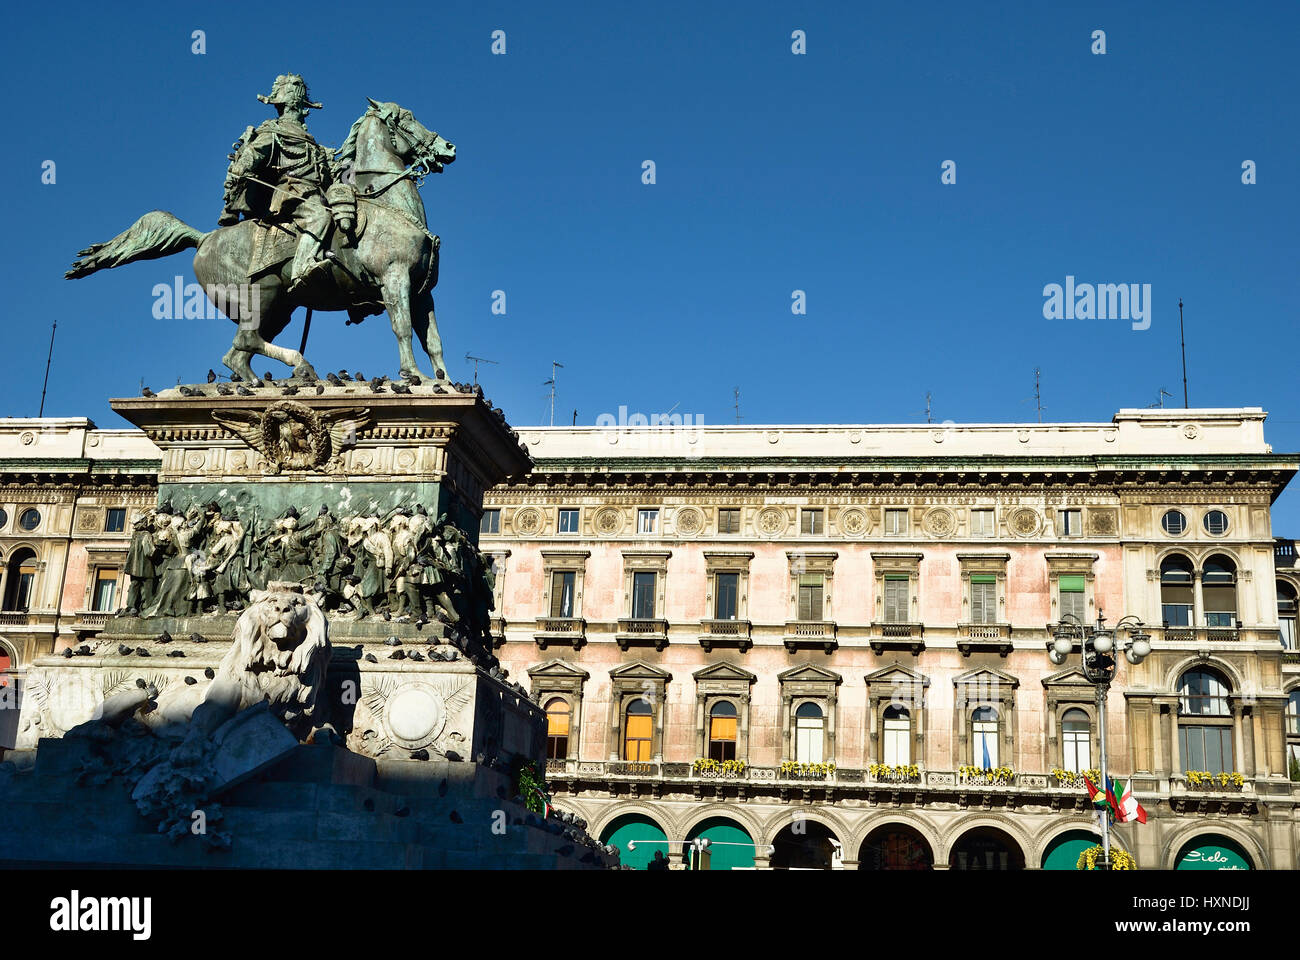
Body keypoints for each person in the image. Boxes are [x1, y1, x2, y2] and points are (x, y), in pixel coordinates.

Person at [219, 74, 349, 293]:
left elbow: (334, 172)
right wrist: (242, 167)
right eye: (296, 106)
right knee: (319, 216)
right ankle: (302, 267)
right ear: (289, 105)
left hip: (314, 194)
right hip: (291, 193)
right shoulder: (273, 131)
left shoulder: (313, 144)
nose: (300, 111)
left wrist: (354, 173)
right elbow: (253, 153)